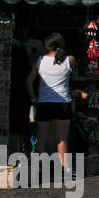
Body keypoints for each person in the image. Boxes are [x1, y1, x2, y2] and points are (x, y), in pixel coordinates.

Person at [26, 34, 76, 176]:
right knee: (62, 139)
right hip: (62, 102)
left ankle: (38, 168)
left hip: (43, 102)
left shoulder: (40, 60)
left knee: (41, 138)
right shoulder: (69, 60)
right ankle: (65, 169)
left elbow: (29, 82)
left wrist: (34, 98)